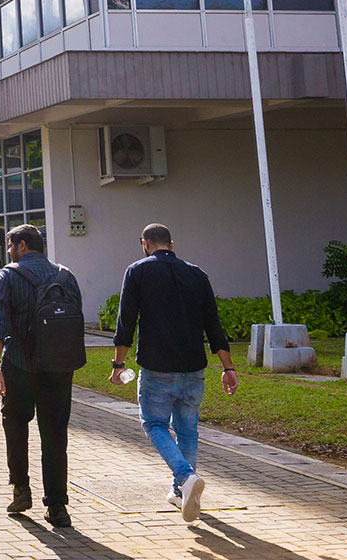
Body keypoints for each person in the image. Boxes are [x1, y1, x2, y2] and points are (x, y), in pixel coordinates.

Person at [110, 223, 237, 523]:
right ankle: (181, 492)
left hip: (157, 367)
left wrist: (118, 365)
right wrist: (228, 367)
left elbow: (125, 321)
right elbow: (213, 325)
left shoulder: (137, 271)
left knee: (153, 423)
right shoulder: (197, 274)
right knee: (187, 428)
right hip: (194, 367)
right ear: (171, 244)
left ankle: (184, 476)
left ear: (145, 243)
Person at [0, 223, 83, 529]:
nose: (9, 251)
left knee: (15, 424)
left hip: (19, 364)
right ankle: (57, 507)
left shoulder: (9, 275)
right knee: (55, 434)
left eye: (10, 245)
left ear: (23, 246)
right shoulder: (66, 276)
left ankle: (21, 490)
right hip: (59, 367)